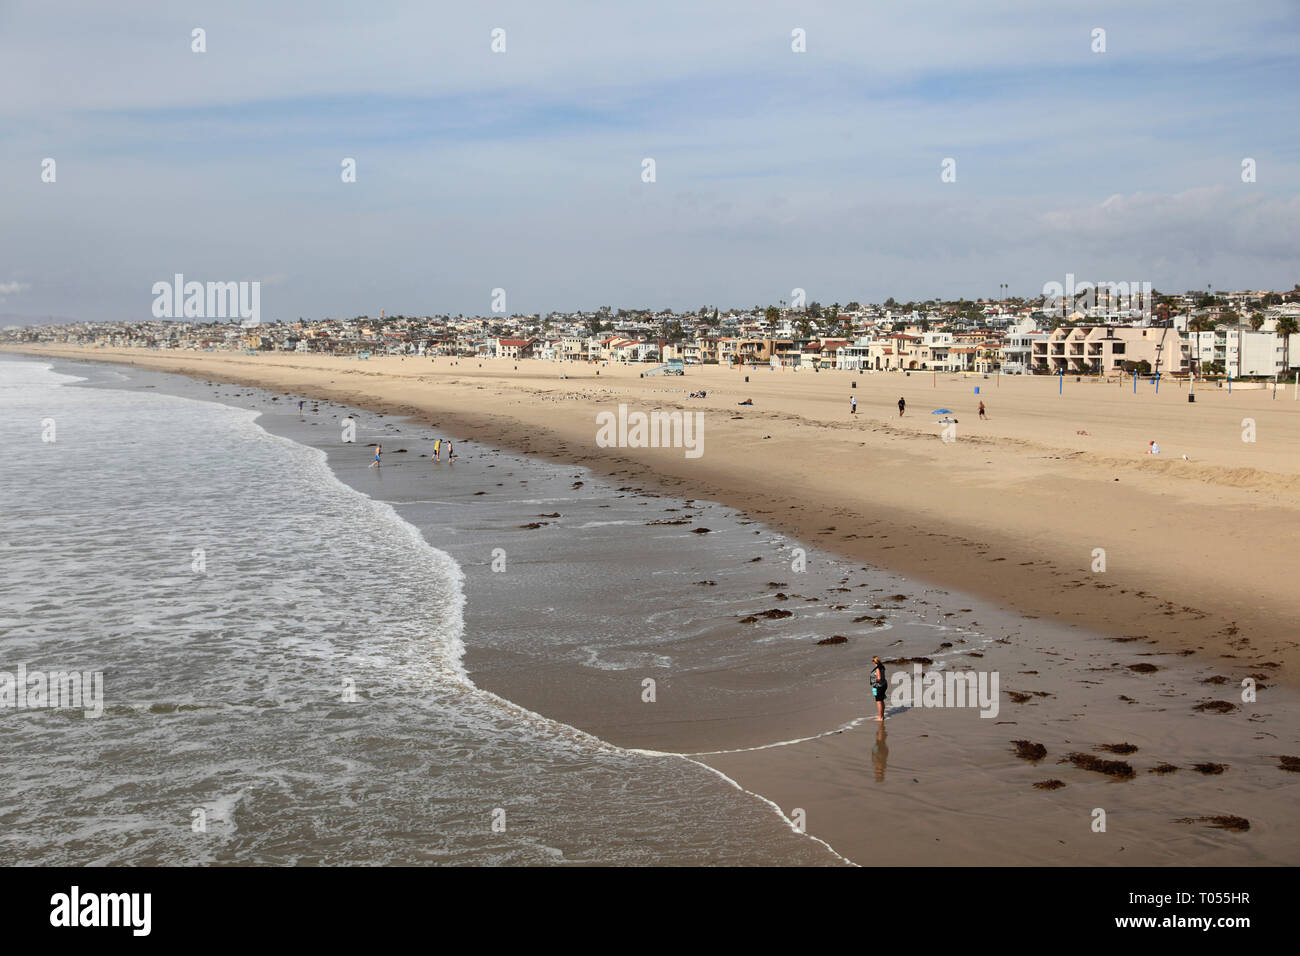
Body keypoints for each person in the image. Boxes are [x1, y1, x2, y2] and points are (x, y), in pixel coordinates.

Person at [870, 655, 888, 721]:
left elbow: (879, 678)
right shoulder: (882, 667)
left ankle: (880, 717)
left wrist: (874, 681)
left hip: (879, 686)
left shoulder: (877, 668)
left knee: (879, 702)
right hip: (884, 685)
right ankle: (882, 716)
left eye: (873, 661)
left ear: (875, 662)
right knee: (881, 700)